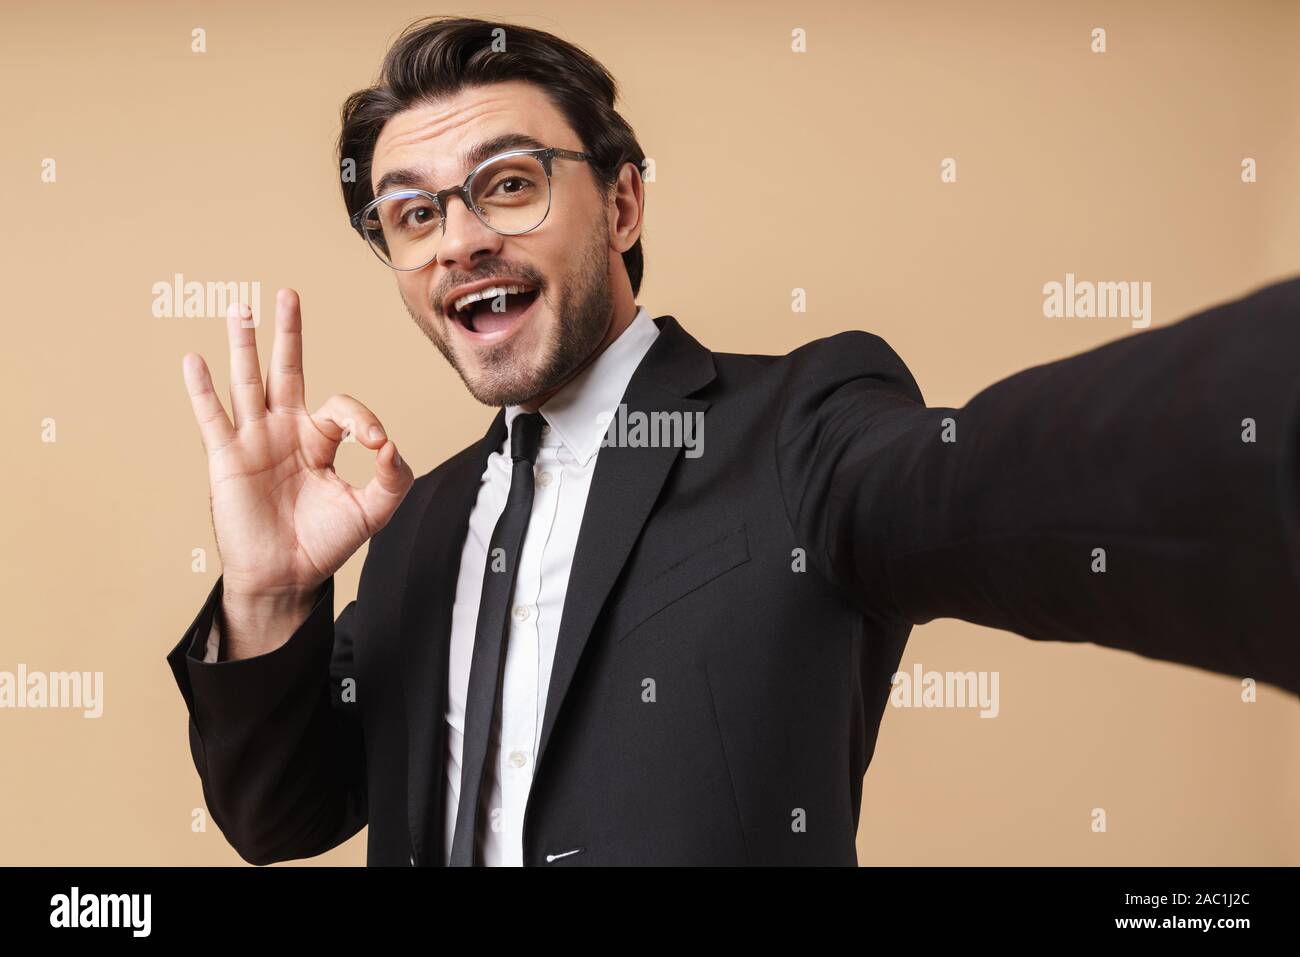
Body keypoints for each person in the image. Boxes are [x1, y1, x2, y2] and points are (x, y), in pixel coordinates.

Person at [166, 16, 1300, 866]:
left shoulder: (801, 426)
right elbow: (284, 813)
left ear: (620, 207)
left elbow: (994, 481)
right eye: (413, 214)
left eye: (506, 186)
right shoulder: (416, 523)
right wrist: (264, 594)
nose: (459, 239)